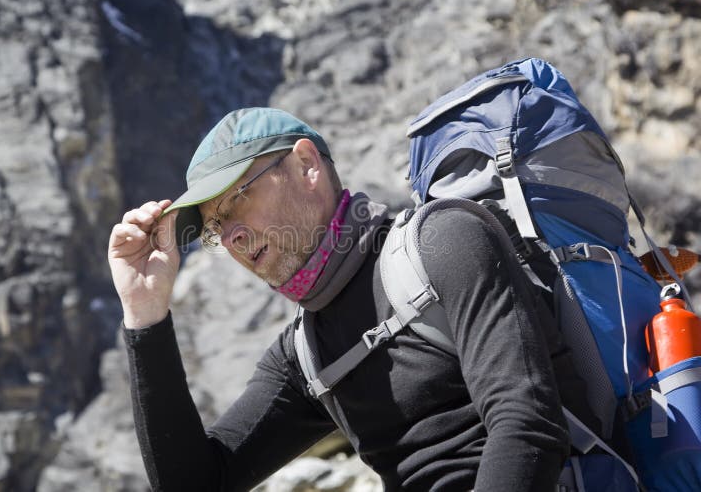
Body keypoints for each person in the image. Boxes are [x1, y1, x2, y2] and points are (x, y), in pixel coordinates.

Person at [108, 107, 591, 491]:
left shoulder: (443, 241)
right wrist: (145, 313)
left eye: (239, 198)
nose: (231, 234)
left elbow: (527, 424)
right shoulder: (305, 355)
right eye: (215, 225)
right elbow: (195, 484)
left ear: (305, 165)